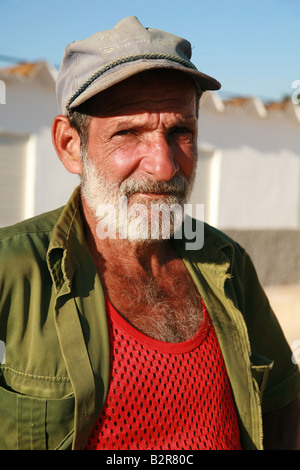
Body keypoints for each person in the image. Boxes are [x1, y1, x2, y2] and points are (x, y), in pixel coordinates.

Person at [0, 16, 299, 451]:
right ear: (70, 146)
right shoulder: (12, 270)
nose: (164, 166)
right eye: (128, 133)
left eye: (181, 132)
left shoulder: (226, 262)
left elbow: (282, 410)